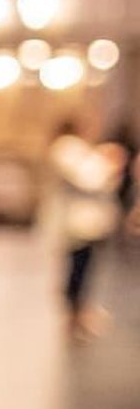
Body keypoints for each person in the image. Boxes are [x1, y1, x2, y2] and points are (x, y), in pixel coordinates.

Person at [47, 120, 126, 342]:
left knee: (86, 268)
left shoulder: (82, 151)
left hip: (92, 224)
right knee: (77, 268)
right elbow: (91, 179)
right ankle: (74, 314)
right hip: (79, 224)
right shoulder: (67, 147)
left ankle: (80, 311)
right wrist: (110, 162)